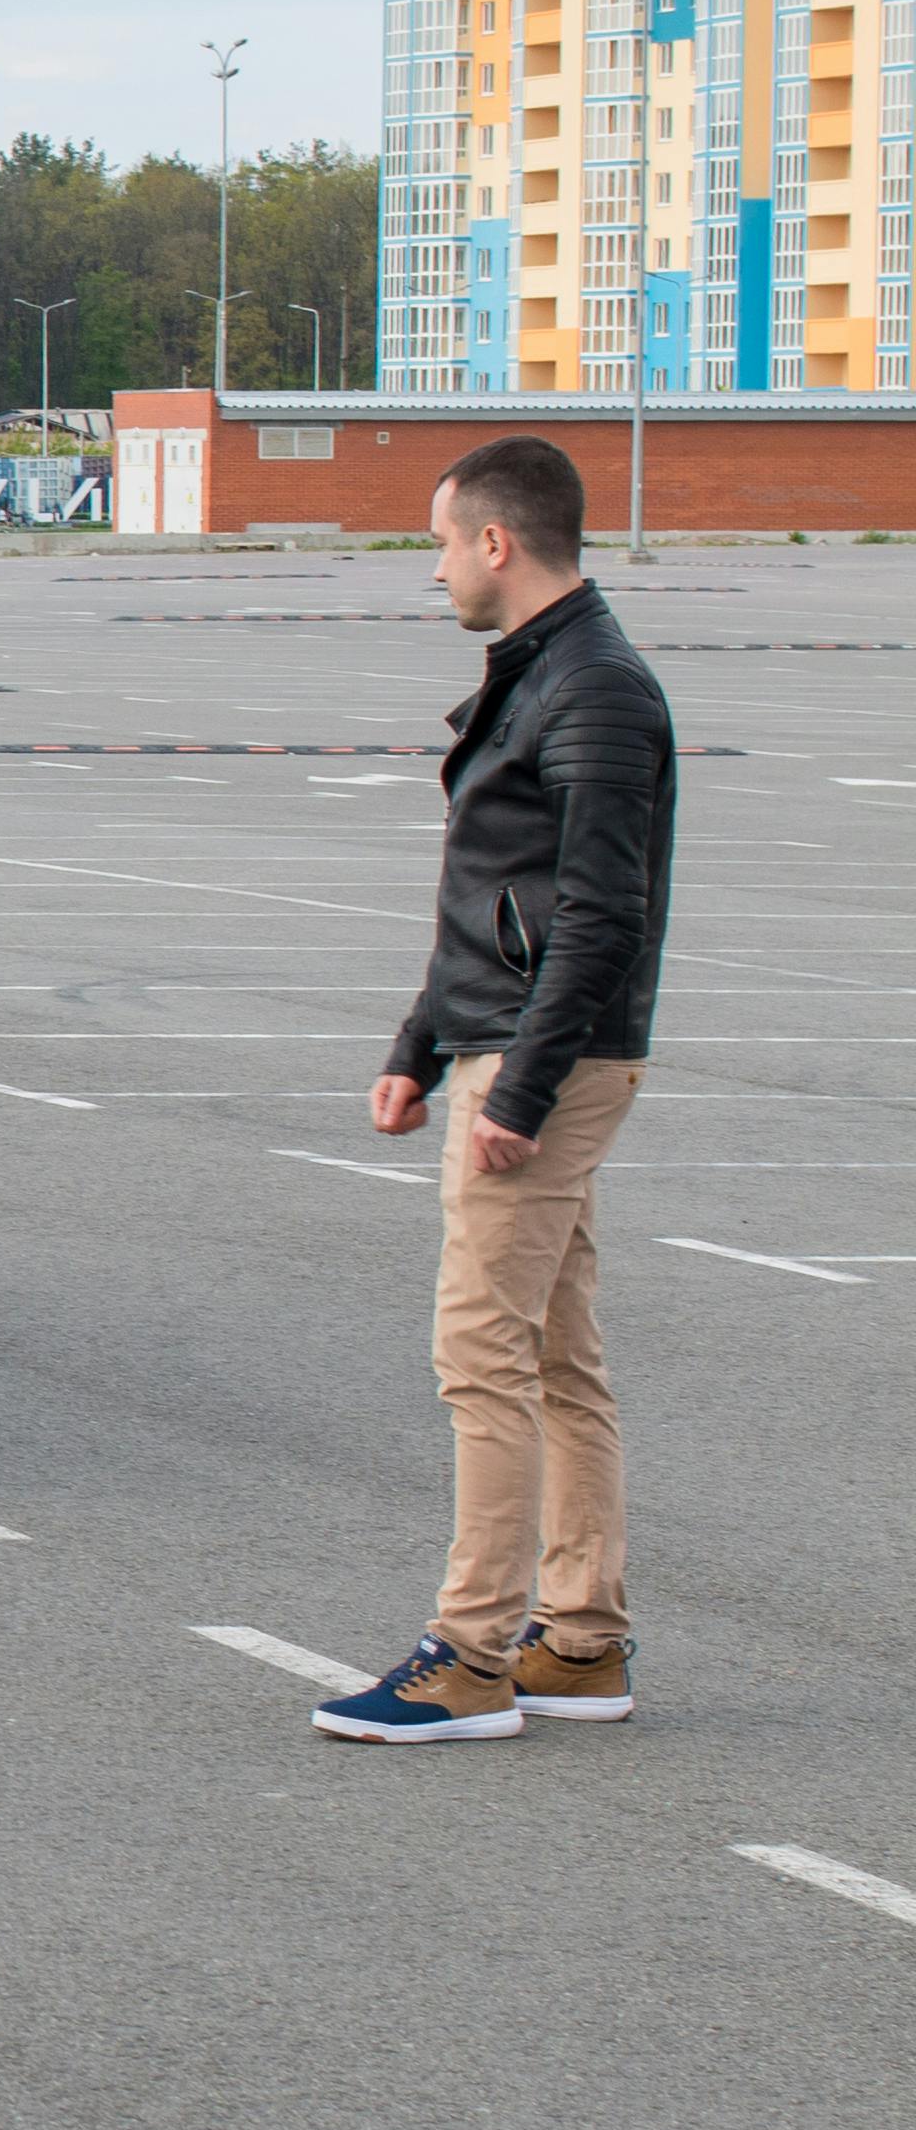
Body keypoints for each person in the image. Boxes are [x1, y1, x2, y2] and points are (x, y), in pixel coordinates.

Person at [317, 434, 676, 1746]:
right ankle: (580, 1642)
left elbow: (600, 916)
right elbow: (492, 894)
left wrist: (517, 1093)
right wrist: (418, 1045)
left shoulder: (594, 688)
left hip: (546, 1062)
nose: (435, 570)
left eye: (439, 544)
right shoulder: (542, 672)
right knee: (558, 1356)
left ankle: (469, 1658)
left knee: (481, 1356)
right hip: (509, 1044)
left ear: (495, 541)